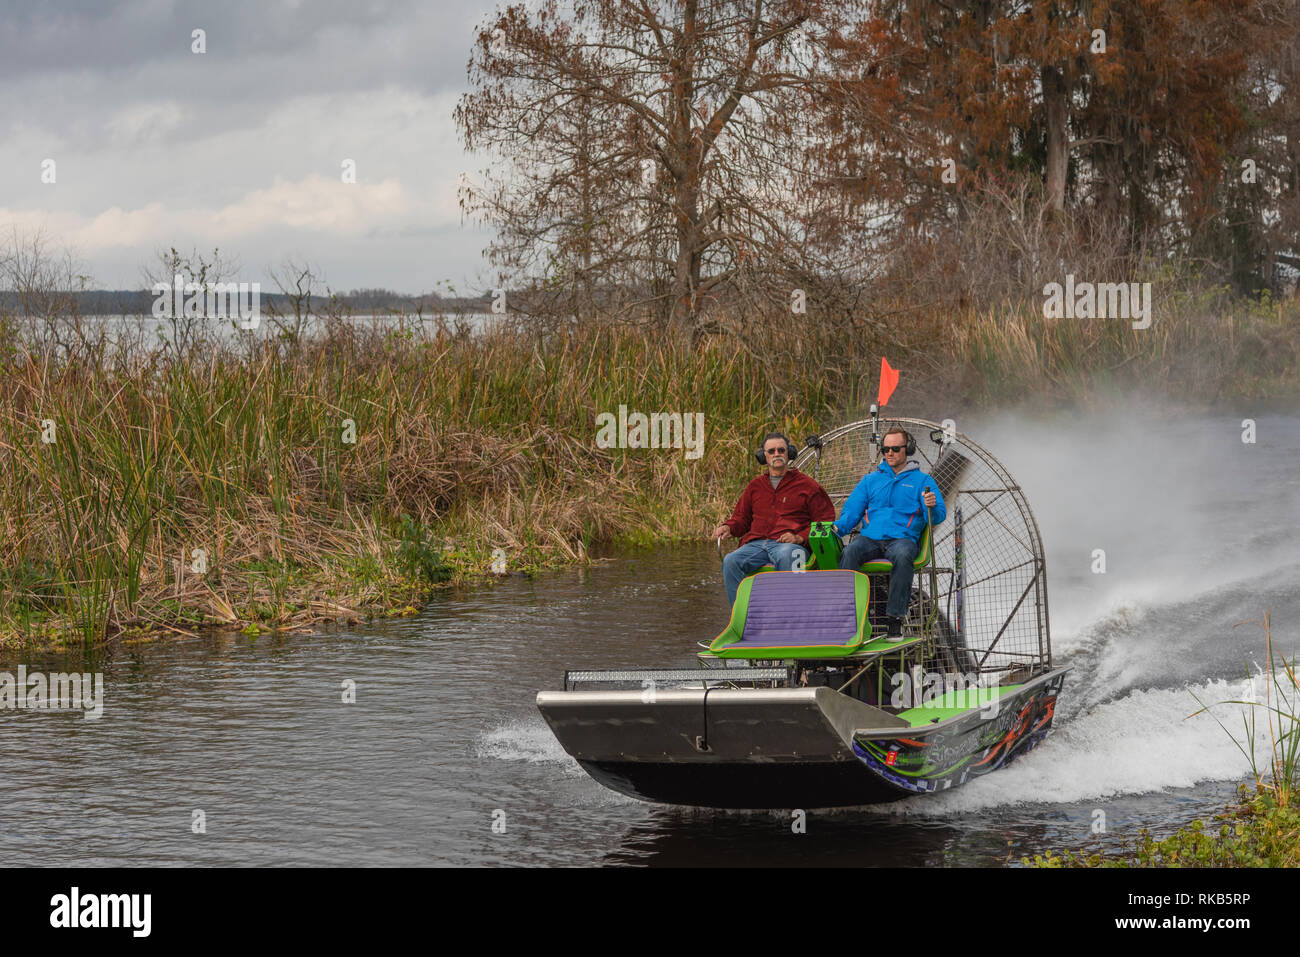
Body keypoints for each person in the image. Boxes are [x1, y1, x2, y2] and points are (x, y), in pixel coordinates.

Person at [834, 425, 946, 640]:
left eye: (895, 449)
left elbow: (938, 517)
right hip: (870, 539)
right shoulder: (870, 481)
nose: (890, 454)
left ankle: (894, 621)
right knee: (849, 552)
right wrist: (837, 528)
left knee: (904, 555)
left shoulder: (923, 481)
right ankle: (850, 617)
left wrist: (931, 506)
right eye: (885, 450)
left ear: (908, 449)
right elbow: (851, 513)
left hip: (902, 539)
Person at [712, 432, 836, 605]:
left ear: (789, 453)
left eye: (781, 450)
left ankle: (787, 614)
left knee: (788, 555)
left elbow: (824, 521)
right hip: (756, 544)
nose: (776, 454)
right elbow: (741, 518)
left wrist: (799, 537)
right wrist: (729, 527)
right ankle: (744, 617)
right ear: (764, 456)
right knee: (731, 561)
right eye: (771, 451)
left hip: (791, 546)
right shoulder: (755, 486)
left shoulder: (808, 486)